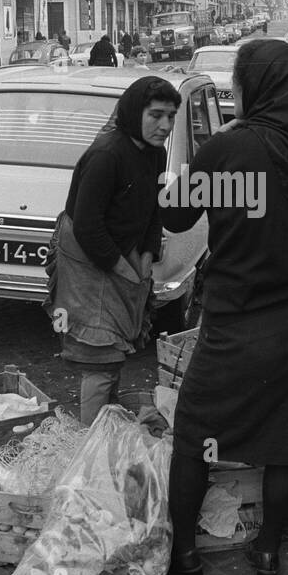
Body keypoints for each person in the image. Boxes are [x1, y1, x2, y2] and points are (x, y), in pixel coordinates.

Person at [160, 38, 288, 575]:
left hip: (238, 320)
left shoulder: (228, 151)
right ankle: (267, 555)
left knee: (195, 434)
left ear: (255, 88)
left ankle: (186, 554)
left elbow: (176, 215)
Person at [44, 76, 178, 425]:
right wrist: (124, 271)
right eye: (156, 115)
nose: (164, 126)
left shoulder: (155, 154)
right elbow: (88, 225)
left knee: (115, 355)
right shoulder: (106, 154)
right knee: (100, 360)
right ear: (136, 112)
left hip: (124, 254)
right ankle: (90, 448)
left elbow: (154, 208)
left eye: (171, 117)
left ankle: (108, 425)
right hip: (87, 261)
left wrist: (147, 256)